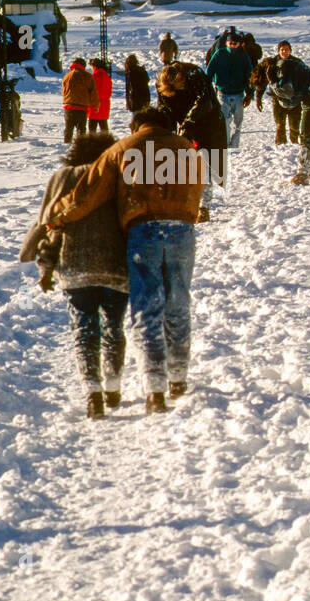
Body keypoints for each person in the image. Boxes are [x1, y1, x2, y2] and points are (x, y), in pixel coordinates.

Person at [47, 106, 204, 414]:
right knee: (178, 303)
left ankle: (154, 389)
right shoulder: (186, 149)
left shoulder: (123, 149)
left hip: (142, 231)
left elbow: (87, 193)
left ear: (137, 126)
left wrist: (57, 215)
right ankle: (178, 378)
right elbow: (198, 189)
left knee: (147, 308)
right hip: (182, 231)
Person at [24, 133, 129, 419]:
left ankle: (92, 390)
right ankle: (113, 384)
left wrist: (45, 269)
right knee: (113, 329)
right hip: (116, 269)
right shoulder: (120, 177)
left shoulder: (64, 179)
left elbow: (51, 228)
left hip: (75, 267)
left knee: (84, 331)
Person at [156, 61, 227, 222]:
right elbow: (165, 110)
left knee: (204, 164)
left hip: (209, 123)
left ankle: (204, 206)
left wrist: (189, 124)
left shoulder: (195, 75)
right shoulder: (162, 84)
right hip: (185, 125)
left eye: (177, 89)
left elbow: (205, 102)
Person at [252, 40, 310, 185]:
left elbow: (288, 97)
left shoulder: (283, 67)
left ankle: (303, 173)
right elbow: (290, 99)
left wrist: (273, 85)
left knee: (307, 135)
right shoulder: (285, 66)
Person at [205, 26, 253, 150]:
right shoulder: (219, 54)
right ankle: (225, 144)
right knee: (225, 121)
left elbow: (249, 75)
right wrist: (207, 89)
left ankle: (235, 144)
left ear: (239, 44)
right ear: (226, 43)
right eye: (230, 43)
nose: (232, 45)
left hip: (238, 94)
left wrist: (250, 93)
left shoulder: (243, 56)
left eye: (235, 43)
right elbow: (209, 72)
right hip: (223, 93)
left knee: (238, 122)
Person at [61, 57, 99, 144]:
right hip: (82, 107)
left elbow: (63, 91)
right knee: (81, 129)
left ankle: (67, 143)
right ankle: (81, 145)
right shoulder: (88, 76)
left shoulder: (67, 76)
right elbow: (93, 93)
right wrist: (95, 105)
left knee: (68, 128)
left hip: (69, 106)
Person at [88, 58, 112, 133]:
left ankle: (92, 143)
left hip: (94, 105)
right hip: (105, 104)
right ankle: (107, 142)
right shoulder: (106, 76)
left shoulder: (94, 76)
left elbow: (90, 91)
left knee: (92, 127)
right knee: (104, 126)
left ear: (94, 66)